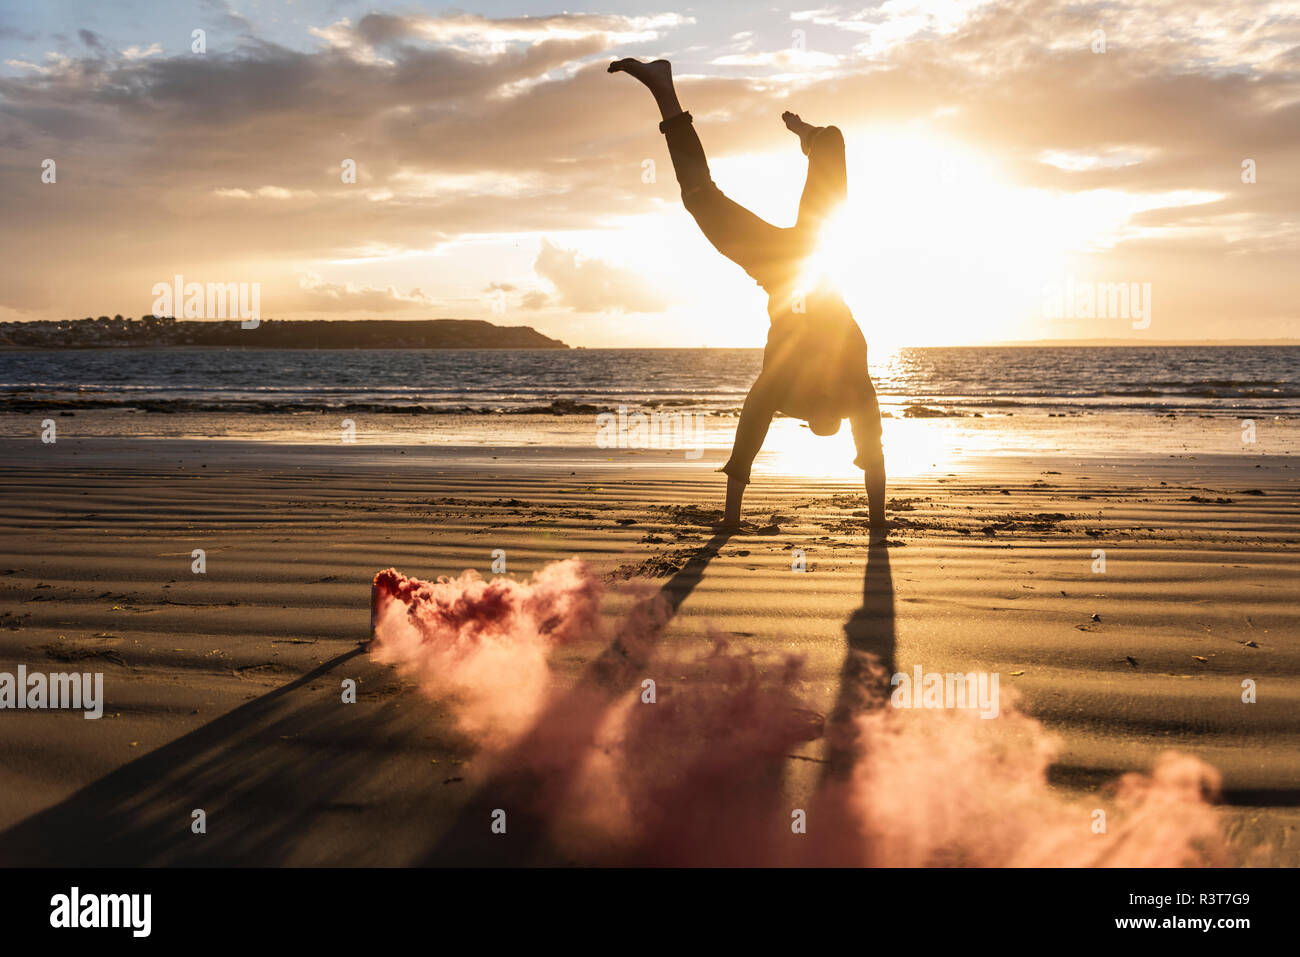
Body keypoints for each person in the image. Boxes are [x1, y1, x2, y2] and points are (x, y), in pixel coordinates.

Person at [610, 58, 886, 530]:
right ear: (832, 408)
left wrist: (731, 519)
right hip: (811, 256)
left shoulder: (788, 389)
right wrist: (877, 522)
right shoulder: (853, 390)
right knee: (826, 146)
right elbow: (871, 458)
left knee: (699, 196)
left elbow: (747, 446)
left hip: (789, 265)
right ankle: (811, 138)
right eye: (825, 414)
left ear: (805, 410)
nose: (818, 410)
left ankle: (665, 91)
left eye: (812, 415)